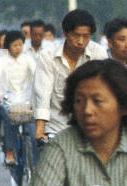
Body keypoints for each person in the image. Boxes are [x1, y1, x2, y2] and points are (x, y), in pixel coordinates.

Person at [34, 8, 107, 144]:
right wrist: (40, 131)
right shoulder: (48, 56)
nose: (80, 41)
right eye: (76, 35)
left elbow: (104, 92)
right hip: (57, 130)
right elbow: (43, 95)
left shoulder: (98, 53)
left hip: (91, 129)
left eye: (86, 36)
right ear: (65, 34)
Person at [0, 30, 38, 171]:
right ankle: (10, 151)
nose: (18, 48)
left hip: (27, 99)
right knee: (11, 119)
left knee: (34, 130)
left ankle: (36, 159)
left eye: (20, 45)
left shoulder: (28, 59)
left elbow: (37, 75)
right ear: (8, 46)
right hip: (8, 99)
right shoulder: (3, 61)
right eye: (15, 45)